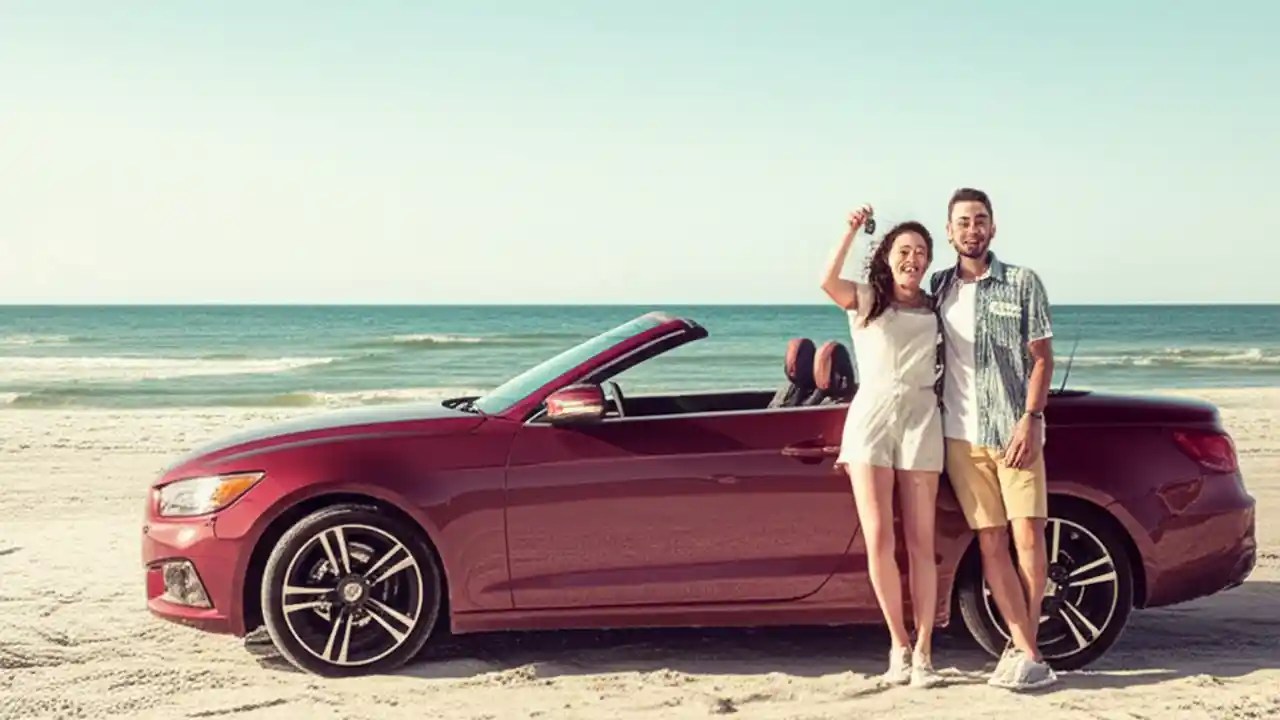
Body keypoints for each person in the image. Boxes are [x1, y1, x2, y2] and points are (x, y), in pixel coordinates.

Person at [929, 187, 1058, 691]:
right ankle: (1025, 649)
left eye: (980, 220)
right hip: (959, 437)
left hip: (1013, 433)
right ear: (949, 231)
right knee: (991, 542)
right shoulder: (937, 287)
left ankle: (1028, 651)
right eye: (962, 221)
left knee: (1027, 537)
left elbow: (1042, 358)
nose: (972, 229)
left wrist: (1032, 418)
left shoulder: (1023, 283)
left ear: (993, 227)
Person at [820, 203, 945, 689]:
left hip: (921, 419)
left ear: (928, 261)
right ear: (889, 257)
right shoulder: (869, 299)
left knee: (921, 541)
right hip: (871, 418)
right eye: (903, 251)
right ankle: (899, 645)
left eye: (920, 252)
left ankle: (927, 653)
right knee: (879, 539)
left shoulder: (936, 306)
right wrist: (849, 229)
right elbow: (827, 283)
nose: (912, 259)